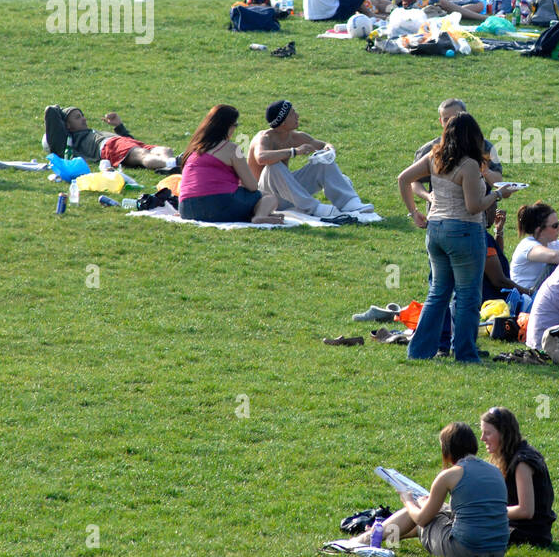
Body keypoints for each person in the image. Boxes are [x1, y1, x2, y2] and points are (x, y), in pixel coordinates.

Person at [398, 112, 513, 362]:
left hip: (436, 230)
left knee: (438, 293)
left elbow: (403, 178)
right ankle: (466, 354)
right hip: (464, 231)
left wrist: (414, 212)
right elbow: (474, 206)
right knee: (468, 296)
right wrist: (499, 195)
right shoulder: (469, 165)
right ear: (473, 137)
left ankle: (419, 352)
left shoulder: (434, 157)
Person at [369, 422, 509, 557]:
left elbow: (422, 520)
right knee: (437, 508)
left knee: (420, 513)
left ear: (447, 450)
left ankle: (367, 538)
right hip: (498, 550)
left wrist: (408, 501)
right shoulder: (495, 471)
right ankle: (377, 535)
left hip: (465, 550)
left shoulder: (449, 475)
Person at [246, 100, 375, 219]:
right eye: (292, 113)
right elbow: (261, 158)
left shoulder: (296, 136)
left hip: (288, 195)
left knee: (322, 161)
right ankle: (314, 208)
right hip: (265, 199)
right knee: (273, 166)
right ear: (283, 121)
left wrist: (329, 151)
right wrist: (294, 151)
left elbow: (324, 145)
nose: (297, 116)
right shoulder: (264, 137)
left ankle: (348, 202)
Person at [178, 105, 282, 224]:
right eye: (235, 125)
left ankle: (258, 214)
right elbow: (253, 186)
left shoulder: (193, 149)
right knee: (268, 197)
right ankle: (260, 216)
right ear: (227, 126)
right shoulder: (231, 149)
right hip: (219, 205)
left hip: (186, 209)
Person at [480, 407, 555, 548]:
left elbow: (526, 510)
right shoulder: (511, 454)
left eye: (488, 433)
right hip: (516, 526)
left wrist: (489, 511)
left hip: (529, 533)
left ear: (503, 434)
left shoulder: (522, 463)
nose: (482, 438)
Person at [42, 106, 177, 172]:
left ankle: (169, 164)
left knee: (164, 149)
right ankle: (173, 163)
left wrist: (119, 127)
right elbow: (51, 111)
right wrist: (62, 114)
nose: (83, 118)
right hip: (109, 146)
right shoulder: (72, 141)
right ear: (67, 125)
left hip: (122, 142)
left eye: (82, 115)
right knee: (142, 154)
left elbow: (129, 144)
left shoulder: (92, 132)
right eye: (77, 117)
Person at [511, 201, 559, 291]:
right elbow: (554, 257)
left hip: (542, 296)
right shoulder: (527, 246)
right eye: (555, 226)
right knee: (554, 265)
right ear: (539, 230)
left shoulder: (553, 244)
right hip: (527, 300)